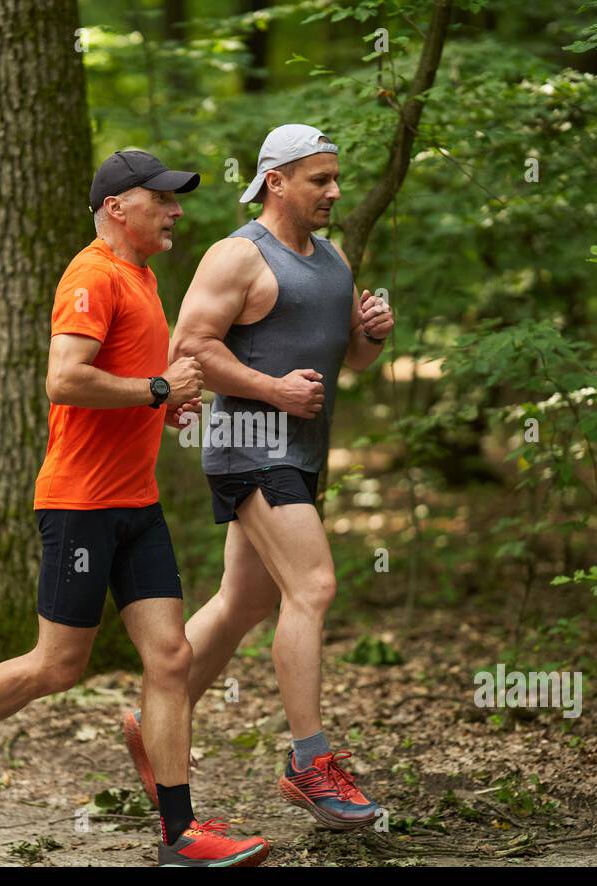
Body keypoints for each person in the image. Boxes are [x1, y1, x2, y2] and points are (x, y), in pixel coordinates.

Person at [0, 149, 269, 867]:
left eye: (175, 198)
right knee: (58, 666)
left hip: (139, 503)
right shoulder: (91, 274)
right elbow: (64, 381)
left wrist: (160, 408)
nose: (175, 209)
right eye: (160, 198)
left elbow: (129, 380)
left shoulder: (143, 277)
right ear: (114, 209)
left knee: (171, 656)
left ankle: (179, 834)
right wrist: (159, 390)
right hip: (81, 505)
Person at [122, 125, 395, 831]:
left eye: (337, 179)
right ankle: (309, 763)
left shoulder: (333, 259)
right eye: (319, 180)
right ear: (276, 181)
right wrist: (272, 391)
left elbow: (350, 367)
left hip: (302, 453)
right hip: (250, 445)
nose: (334, 191)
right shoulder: (238, 255)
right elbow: (191, 348)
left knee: (244, 602)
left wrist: (370, 334)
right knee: (314, 586)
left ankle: (155, 720)